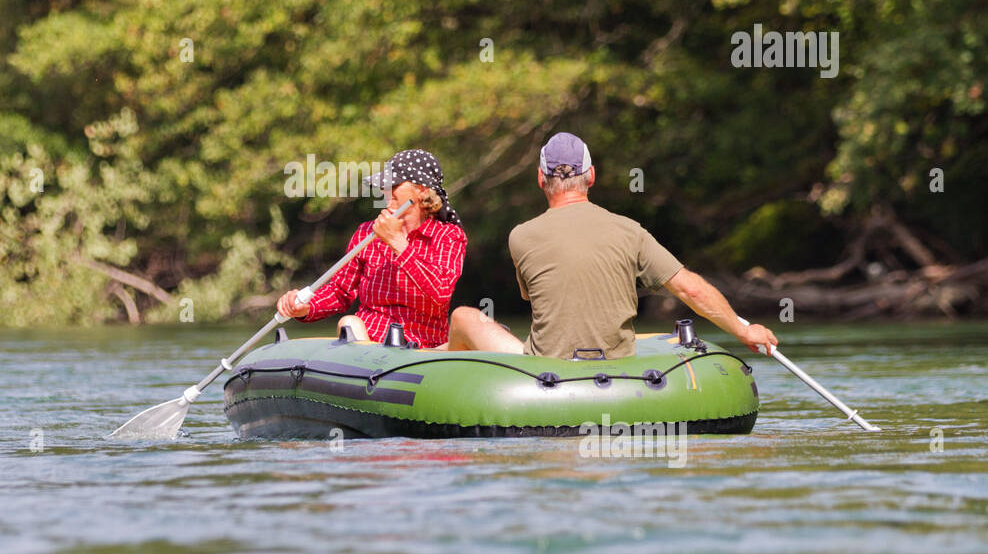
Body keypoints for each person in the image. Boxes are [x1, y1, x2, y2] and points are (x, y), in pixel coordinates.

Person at [447, 132, 778, 358]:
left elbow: (539, 297)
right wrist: (744, 331)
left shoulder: (519, 235)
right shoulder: (630, 230)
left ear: (540, 178)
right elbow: (690, 289)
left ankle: (433, 360)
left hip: (548, 368)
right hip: (616, 366)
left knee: (463, 315)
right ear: (591, 176)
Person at [276, 149, 467, 348]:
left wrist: (397, 242)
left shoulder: (449, 236)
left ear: (421, 190)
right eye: (384, 184)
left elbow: (441, 292)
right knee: (348, 323)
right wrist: (306, 308)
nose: (384, 190)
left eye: (393, 184)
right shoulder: (366, 233)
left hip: (424, 350)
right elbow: (340, 292)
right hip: (370, 346)